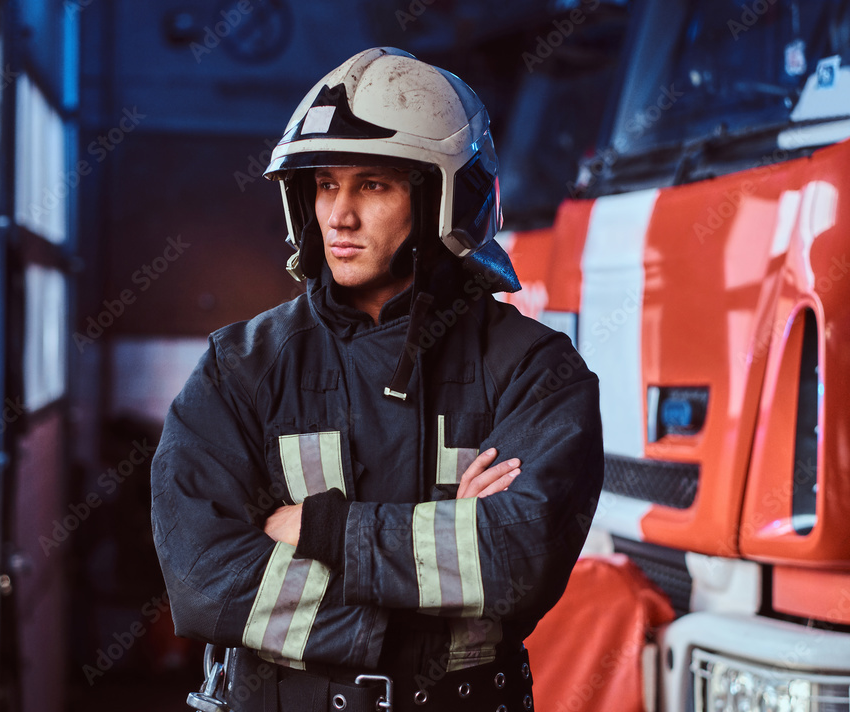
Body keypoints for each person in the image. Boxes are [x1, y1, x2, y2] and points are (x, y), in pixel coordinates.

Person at [151, 47, 604, 712]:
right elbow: (203, 580)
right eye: (327, 184)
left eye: (373, 185)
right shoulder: (240, 367)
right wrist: (437, 565)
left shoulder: (536, 370)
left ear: (447, 198)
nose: (339, 215)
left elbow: (516, 557)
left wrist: (320, 530)